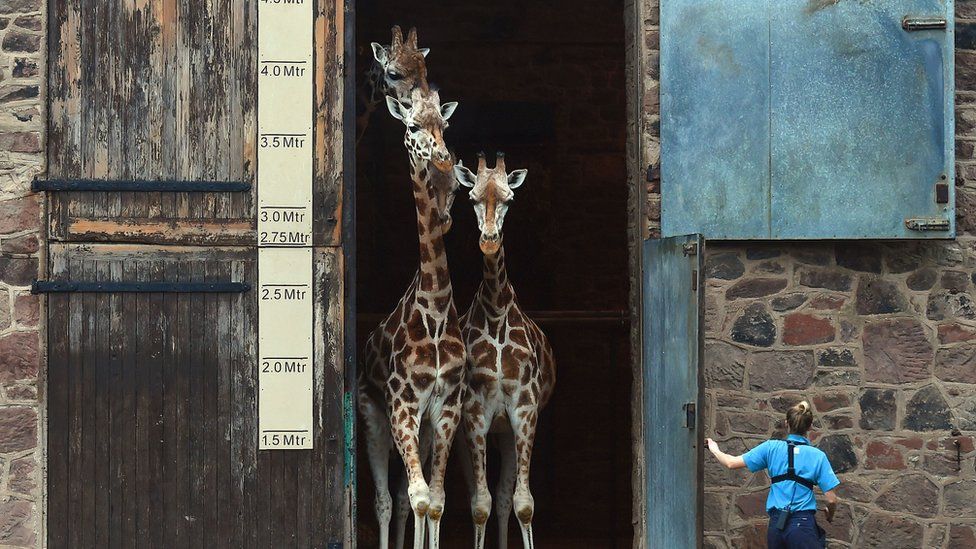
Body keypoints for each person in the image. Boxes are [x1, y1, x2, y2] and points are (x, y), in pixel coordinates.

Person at [706, 400, 840, 549]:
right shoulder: (817, 456)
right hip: (802, 525)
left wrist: (714, 448)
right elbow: (832, 500)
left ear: (786, 423)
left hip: (777, 526)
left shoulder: (771, 448)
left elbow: (731, 463)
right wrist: (830, 513)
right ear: (809, 426)